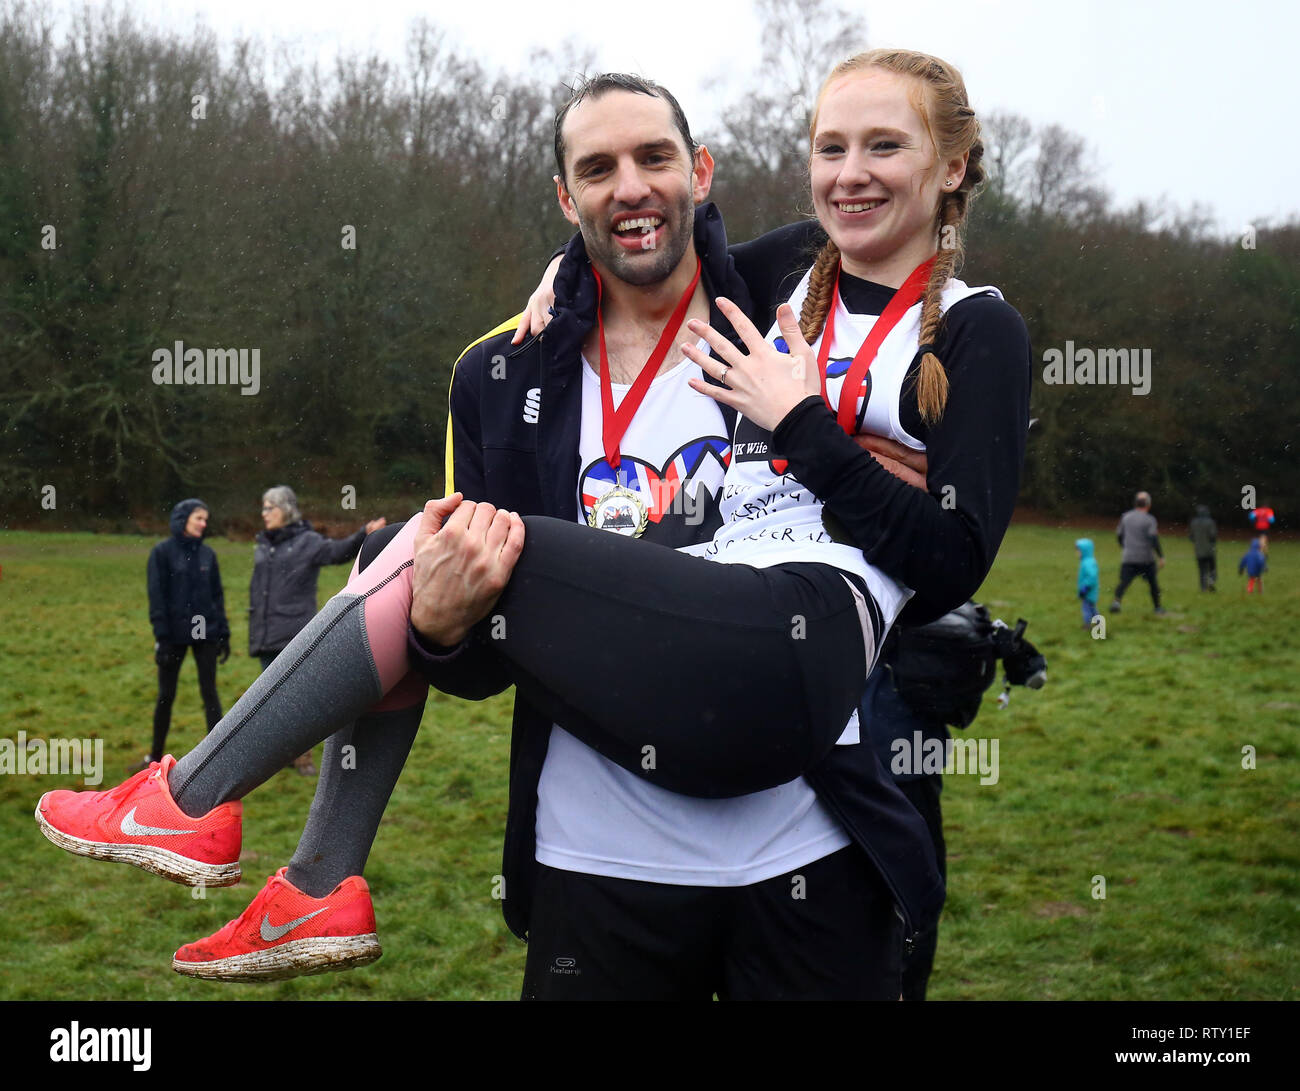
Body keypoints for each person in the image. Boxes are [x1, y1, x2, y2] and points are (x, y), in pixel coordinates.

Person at [37, 53, 1031, 998]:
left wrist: (828, 442)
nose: (629, 187)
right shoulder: (503, 370)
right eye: (596, 170)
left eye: (654, 159)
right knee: (428, 556)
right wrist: (436, 623)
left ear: (703, 174)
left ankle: (208, 811)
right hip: (597, 861)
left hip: (810, 834)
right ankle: (308, 879)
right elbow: (471, 660)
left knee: (421, 542)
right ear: (564, 198)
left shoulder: (776, 300)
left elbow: (901, 303)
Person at [250, 486, 386, 775]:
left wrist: (364, 534)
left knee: (295, 701)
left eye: (269, 508)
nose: (264, 514)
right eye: (263, 508)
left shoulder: (307, 542)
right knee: (268, 702)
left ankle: (303, 760)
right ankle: (277, 756)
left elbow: (337, 552)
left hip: (293, 631)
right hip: (265, 633)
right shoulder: (265, 544)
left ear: (285, 509)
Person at [131, 499, 230, 774]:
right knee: (166, 695)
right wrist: (161, 637)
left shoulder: (208, 555)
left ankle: (220, 756)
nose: (203, 524)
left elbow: (217, 596)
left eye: (205, 519)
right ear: (183, 518)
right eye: (199, 518)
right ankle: (154, 758)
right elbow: (157, 598)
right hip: (173, 636)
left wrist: (223, 632)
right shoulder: (162, 553)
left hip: (206, 633)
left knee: (210, 692)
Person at [1110, 491, 1166, 615]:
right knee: (1153, 583)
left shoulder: (1126, 517)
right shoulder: (1150, 519)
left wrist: (1124, 546)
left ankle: (1116, 602)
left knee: (1124, 581)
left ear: (1135, 503)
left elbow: (1119, 535)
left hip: (1129, 556)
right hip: (1146, 558)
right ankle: (1157, 607)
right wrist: (1161, 556)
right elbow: (1153, 538)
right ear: (1148, 505)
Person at [1188, 504, 1217, 591]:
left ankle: (1203, 587)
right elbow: (1213, 536)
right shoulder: (1210, 522)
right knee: (1212, 568)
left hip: (1198, 550)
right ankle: (1211, 581)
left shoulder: (1193, 522)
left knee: (1202, 570)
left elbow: (1191, 537)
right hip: (1209, 550)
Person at [1076, 537, 1100, 627]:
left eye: (1079, 550)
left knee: (1086, 608)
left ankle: (1087, 624)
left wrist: (1085, 588)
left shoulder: (1088, 562)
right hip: (1090, 590)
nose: (1077, 553)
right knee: (1092, 607)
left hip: (1088, 590)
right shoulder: (1087, 561)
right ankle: (1099, 622)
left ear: (1084, 550)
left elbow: (1092, 576)